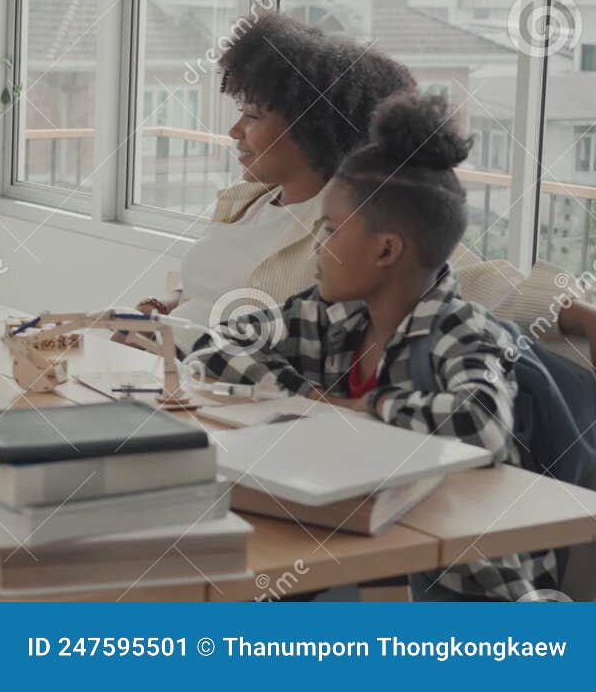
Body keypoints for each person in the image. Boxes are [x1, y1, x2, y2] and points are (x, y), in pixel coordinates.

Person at [187, 92, 558, 601]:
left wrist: (369, 407)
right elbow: (218, 345)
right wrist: (310, 396)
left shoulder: (463, 333)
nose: (318, 249)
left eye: (331, 232)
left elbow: (481, 424)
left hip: (466, 597)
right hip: (352, 560)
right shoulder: (331, 315)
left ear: (386, 249)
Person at [128, 12, 596, 355]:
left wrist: (579, 314)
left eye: (252, 116)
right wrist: (169, 305)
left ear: (311, 128)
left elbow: (470, 281)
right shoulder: (246, 200)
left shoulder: (354, 222)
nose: (235, 131)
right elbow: (214, 283)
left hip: (219, 390)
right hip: (159, 364)